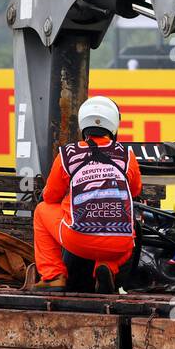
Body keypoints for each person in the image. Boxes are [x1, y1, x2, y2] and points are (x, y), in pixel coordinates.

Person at [32, 96, 143, 293]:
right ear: (114, 125)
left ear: (83, 124)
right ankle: (107, 267)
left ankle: (53, 276)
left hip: (79, 240)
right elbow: (134, 191)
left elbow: (49, 198)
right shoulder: (127, 155)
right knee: (126, 225)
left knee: (41, 210)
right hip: (120, 242)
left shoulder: (67, 154)